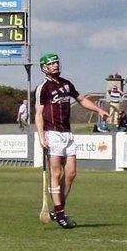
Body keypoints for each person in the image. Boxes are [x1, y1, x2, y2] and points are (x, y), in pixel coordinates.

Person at [34, 53, 108, 230]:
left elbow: (81, 100)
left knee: (71, 173)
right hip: (53, 134)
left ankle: (58, 209)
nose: (56, 66)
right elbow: (38, 114)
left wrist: (99, 110)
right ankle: (60, 214)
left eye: (57, 63)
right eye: (52, 64)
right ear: (44, 68)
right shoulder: (43, 88)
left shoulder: (67, 84)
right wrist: (41, 136)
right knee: (56, 173)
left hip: (67, 133)